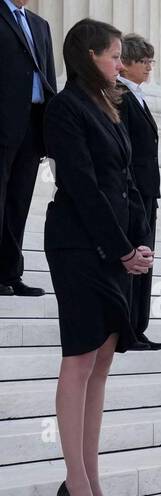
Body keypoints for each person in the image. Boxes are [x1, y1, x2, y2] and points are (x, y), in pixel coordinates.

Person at [45, 18, 152, 496]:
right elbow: (82, 186)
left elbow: (126, 180)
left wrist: (139, 241)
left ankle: (88, 476)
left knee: (103, 361)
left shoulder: (110, 106)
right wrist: (119, 247)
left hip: (113, 248)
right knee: (80, 359)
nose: (120, 63)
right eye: (114, 56)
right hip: (78, 245)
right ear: (90, 56)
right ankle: (77, 481)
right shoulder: (65, 108)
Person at [1, 0, 56, 298]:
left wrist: (53, 129)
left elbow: (49, 78)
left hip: (33, 127)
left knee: (18, 202)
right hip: (4, 123)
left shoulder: (40, 24)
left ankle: (11, 273)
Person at [117, 33, 161, 351]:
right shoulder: (120, 95)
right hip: (133, 191)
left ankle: (138, 325)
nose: (149, 67)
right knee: (134, 258)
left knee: (146, 258)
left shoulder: (139, 96)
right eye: (143, 61)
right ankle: (126, 327)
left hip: (148, 190)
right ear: (126, 63)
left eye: (150, 61)